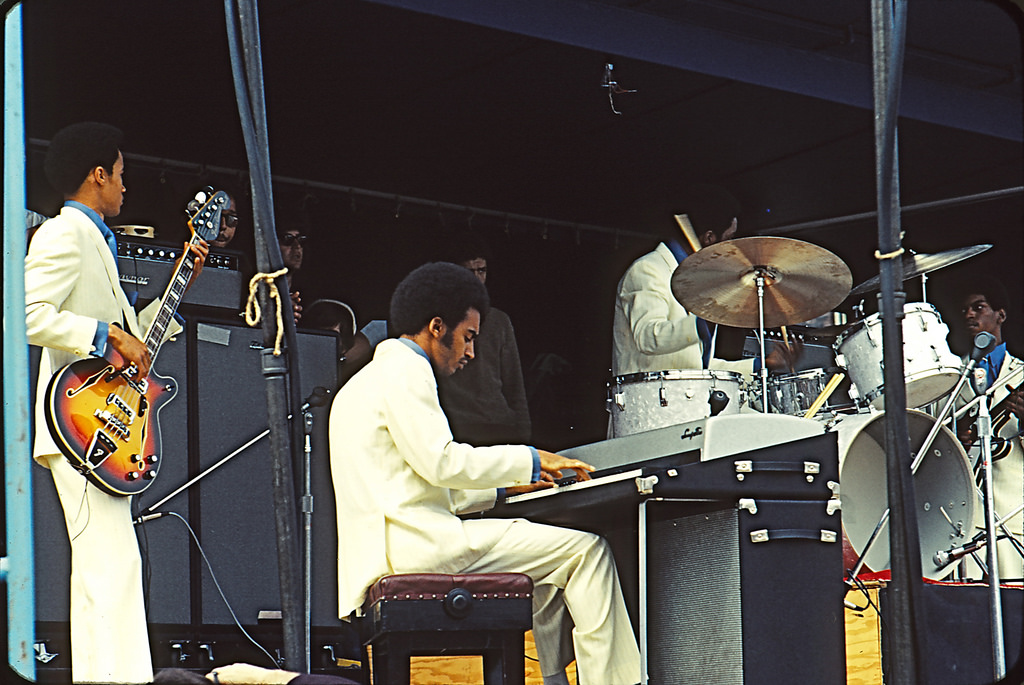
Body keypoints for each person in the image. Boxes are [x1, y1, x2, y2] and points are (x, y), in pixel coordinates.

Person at [329, 262, 642, 685]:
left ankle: (555, 679)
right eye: (469, 337)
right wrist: (532, 458)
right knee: (589, 553)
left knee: (550, 567)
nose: (471, 353)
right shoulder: (406, 370)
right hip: (418, 545)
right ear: (437, 326)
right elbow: (442, 461)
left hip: (388, 547)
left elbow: (416, 484)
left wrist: (502, 489)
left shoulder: (363, 382)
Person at [25, 122, 209, 684]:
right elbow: (26, 312)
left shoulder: (96, 240)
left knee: (108, 566)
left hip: (104, 424)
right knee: (111, 566)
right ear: (98, 175)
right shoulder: (64, 234)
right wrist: (105, 335)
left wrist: (181, 285)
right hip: (80, 426)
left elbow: (135, 342)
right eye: (122, 175)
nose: (127, 188)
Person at [612, 184, 797, 377]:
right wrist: (705, 319)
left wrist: (762, 364)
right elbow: (648, 338)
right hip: (649, 403)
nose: (730, 249)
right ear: (709, 238)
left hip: (685, 399)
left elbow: (700, 368)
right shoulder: (648, 269)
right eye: (728, 238)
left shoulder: (695, 281)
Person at [952, 278, 1024, 580]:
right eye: (966, 310)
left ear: (1000, 315)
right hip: (965, 517)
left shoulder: (1020, 373)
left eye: (979, 307)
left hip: (1013, 511)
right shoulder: (952, 377)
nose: (970, 315)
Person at [437, 233, 532, 445]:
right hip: (456, 427)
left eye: (481, 270)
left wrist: (524, 435)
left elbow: (514, 381)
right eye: (468, 271)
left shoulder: (499, 320)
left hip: (499, 425)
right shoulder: (437, 320)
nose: (476, 278)